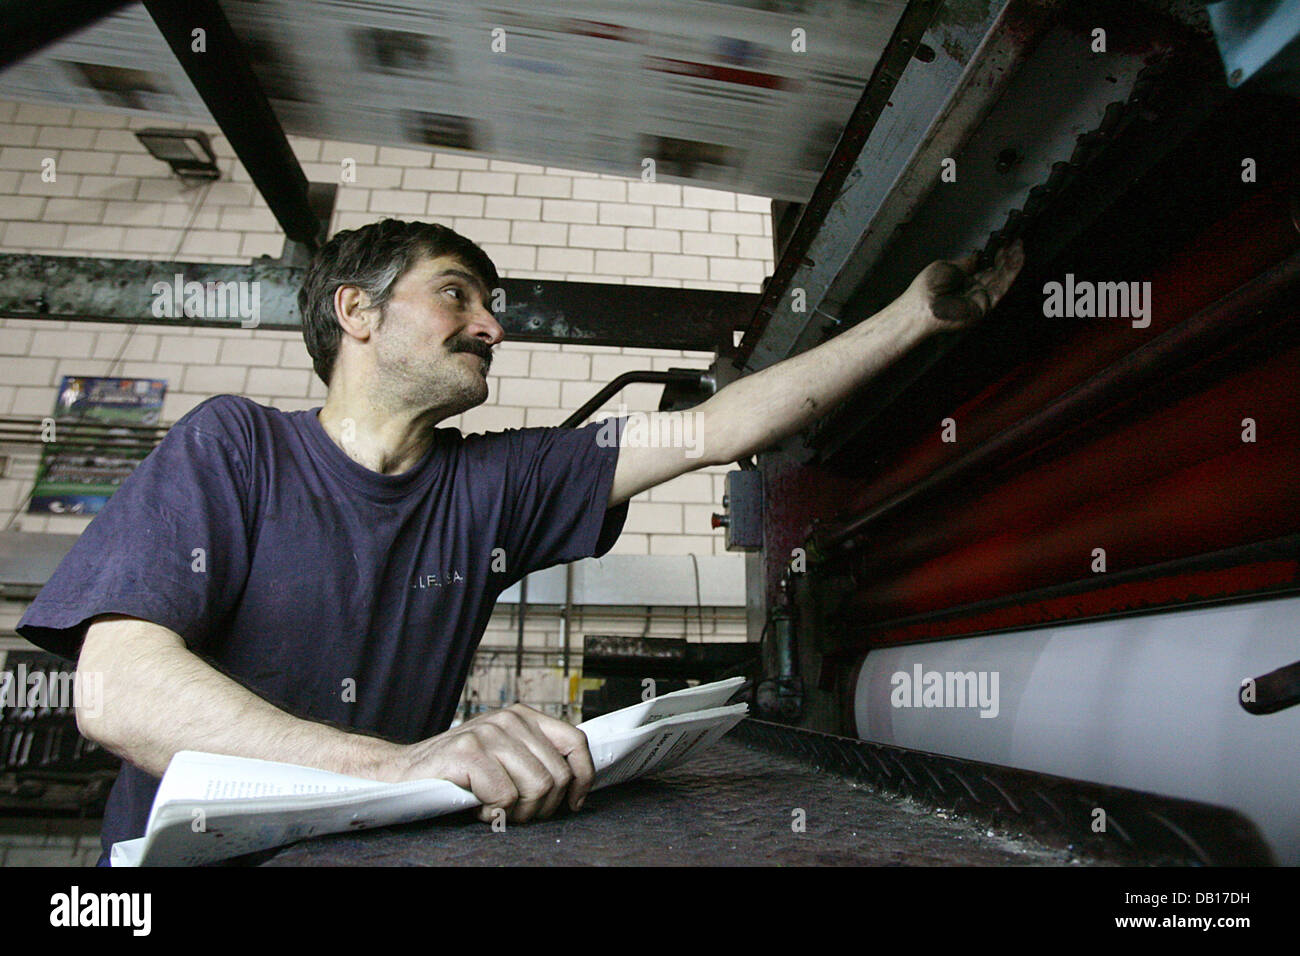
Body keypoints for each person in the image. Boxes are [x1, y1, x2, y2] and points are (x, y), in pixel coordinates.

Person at [16, 218, 1023, 864]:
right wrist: (399, 766)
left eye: (491, 305)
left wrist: (910, 317)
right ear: (355, 310)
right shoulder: (233, 446)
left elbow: (711, 431)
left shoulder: (491, 482)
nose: (492, 325)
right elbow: (119, 691)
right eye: (456, 292)